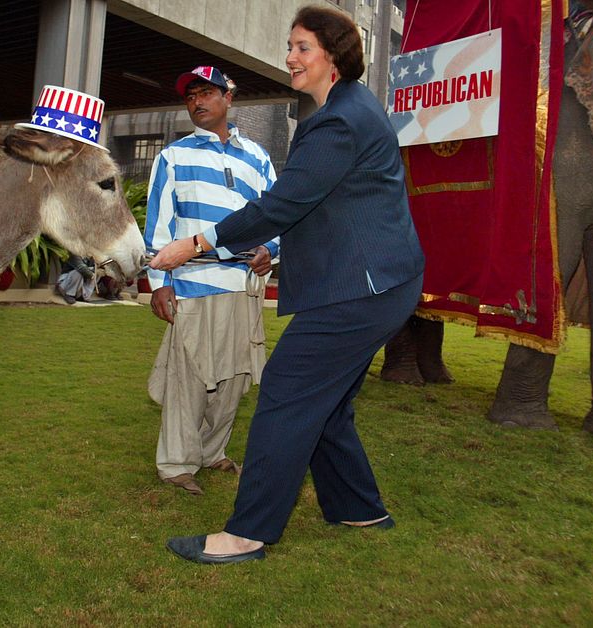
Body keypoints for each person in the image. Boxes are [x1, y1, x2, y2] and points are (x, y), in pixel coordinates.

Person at [149, 5, 425, 563]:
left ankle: (248, 532)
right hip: (374, 285)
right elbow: (310, 208)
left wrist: (196, 245)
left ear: (334, 54)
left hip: (361, 289)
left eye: (302, 47)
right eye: (290, 47)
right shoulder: (347, 111)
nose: (290, 57)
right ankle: (357, 506)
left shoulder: (339, 120)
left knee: (285, 394)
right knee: (326, 404)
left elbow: (282, 204)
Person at [143, 65, 279, 495]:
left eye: (207, 93)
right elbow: (159, 227)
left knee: (235, 379)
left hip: (244, 287)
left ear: (228, 98)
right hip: (192, 284)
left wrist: (270, 250)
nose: (197, 102)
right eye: (190, 97)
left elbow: (276, 214)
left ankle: (212, 450)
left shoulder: (257, 157)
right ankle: (177, 463)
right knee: (190, 379)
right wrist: (158, 282)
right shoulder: (174, 157)